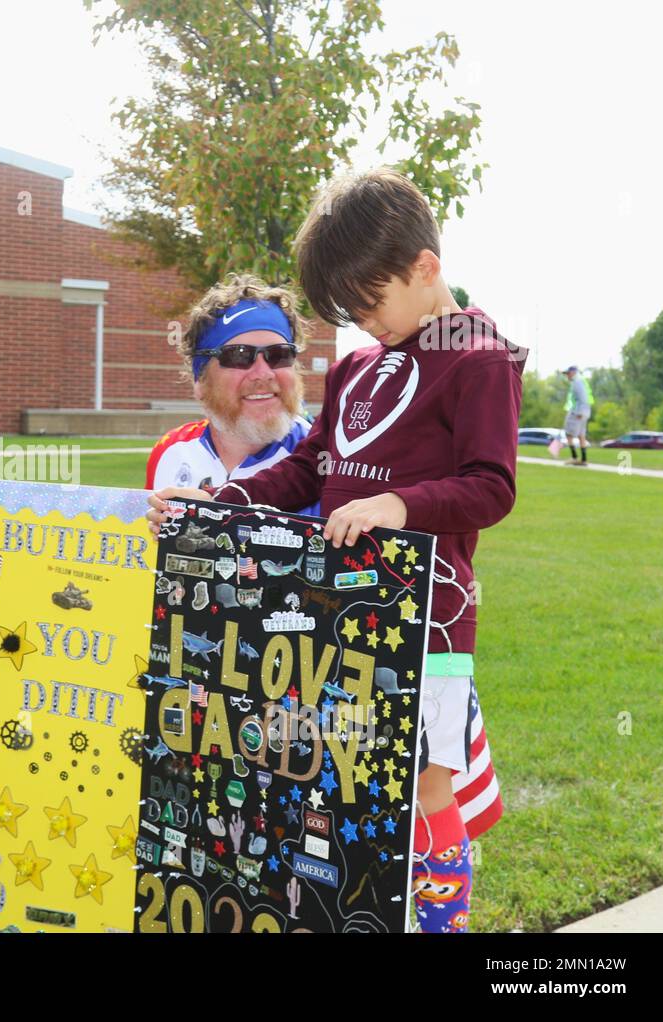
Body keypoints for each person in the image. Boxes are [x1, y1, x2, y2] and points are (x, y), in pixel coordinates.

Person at [148, 167, 521, 933]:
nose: (362, 321)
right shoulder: (353, 367)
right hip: (329, 618)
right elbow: (306, 467)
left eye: (369, 302)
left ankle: (442, 925)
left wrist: (400, 505)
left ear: (425, 268)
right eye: (347, 310)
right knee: (346, 790)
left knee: (426, 791)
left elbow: (492, 486)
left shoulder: (479, 358)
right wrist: (222, 503)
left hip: (428, 623)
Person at [145, 274, 319, 518]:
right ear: (200, 381)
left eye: (279, 354)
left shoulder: (325, 460)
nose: (264, 374)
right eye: (239, 355)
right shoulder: (172, 450)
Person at [561, 366, 593, 464]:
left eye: (568, 373)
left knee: (569, 434)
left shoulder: (577, 382)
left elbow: (583, 398)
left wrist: (580, 412)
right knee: (581, 435)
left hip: (578, 412)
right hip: (585, 411)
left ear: (573, 372)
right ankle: (583, 459)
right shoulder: (581, 381)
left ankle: (574, 457)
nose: (567, 376)